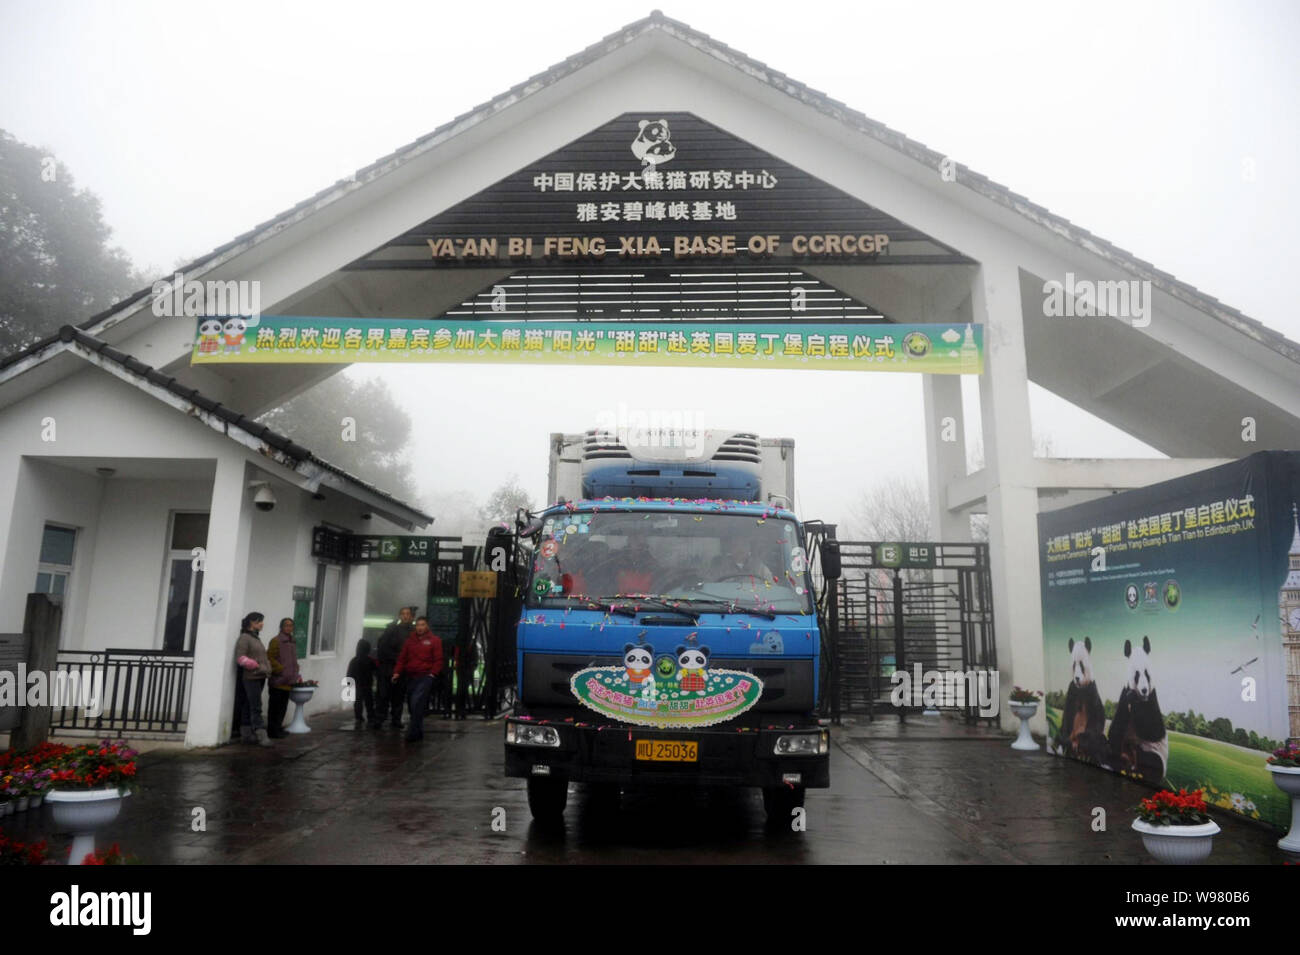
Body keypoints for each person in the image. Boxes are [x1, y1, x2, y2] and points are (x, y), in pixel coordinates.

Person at [392, 616, 444, 742]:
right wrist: (397, 672)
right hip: (411, 677)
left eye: (422, 625)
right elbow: (402, 658)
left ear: (427, 626)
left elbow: (438, 659)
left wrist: (432, 674)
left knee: (416, 702)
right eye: (418, 625)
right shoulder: (410, 641)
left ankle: (412, 733)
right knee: (413, 705)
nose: (420, 627)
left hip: (425, 677)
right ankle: (418, 732)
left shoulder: (434, 641)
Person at [233, 612, 273, 747]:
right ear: (251, 622)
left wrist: (266, 669)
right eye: (259, 621)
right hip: (251, 677)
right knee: (256, 706)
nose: (262, 624)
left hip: (260, 676)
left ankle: (246, 734)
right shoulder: (245, 638)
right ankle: (261, 735)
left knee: (248, 705)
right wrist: (258, 666)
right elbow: (241, 658)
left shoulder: (256, 638)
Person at [375, 607, 413, 729]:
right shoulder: (392, 630)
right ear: (400, 616)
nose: (405, 616)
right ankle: (380, 718)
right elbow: (383, 648)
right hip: (388, 668)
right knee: (384, 695)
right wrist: (397, 659)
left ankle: (395, 719)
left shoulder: (412, 632)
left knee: (398, 696)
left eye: (408, 614)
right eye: (403, 614)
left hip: (402, 670)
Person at [265, 617, 300, 738]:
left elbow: (293, 660)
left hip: (288, 681)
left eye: (291, 625)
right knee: (274, 707)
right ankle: (272, 730)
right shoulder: (276, 641)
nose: (289, 628)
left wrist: (295, 671)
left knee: (283, 707)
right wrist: (280, 670)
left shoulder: (292, 641)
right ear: (281, 627)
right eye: (286, 625)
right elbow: (269, 657)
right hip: (278, 680)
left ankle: (278, 728)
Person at [348, 637, 378, 727]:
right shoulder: (369, 660)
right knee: (369, 701)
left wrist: (349, 684)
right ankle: (371, 716)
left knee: (358, 701)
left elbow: (349, 673)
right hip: (367, 684)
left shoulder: (354, 660)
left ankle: (358, 717)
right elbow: (376, 670)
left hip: (356, 684)